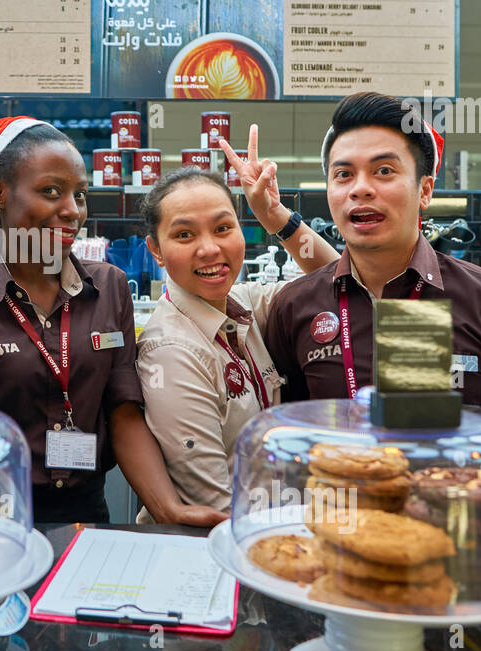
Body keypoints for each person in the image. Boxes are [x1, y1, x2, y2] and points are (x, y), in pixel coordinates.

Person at [0, 117, 222, 525]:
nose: (71, 210)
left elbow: (123, 410)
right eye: (51, 191)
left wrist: (167, 508)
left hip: (87, 508)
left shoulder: (109, 287)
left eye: (80, 195)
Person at [262, 91, 481, 415]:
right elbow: (289, 427)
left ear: (425, 190)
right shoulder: (295, 307)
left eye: (384, 171)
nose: (360, 188)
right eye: (344, 174)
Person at [131, 129, 341, 516]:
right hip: (213, 548)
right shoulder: (172, 352)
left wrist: (276, 216)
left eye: (223, 228)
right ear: (156, 251)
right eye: (184, 234)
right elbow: (215, 504)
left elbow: (334, 281)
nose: (210, 248)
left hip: (267, 520)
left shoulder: (243, 304)